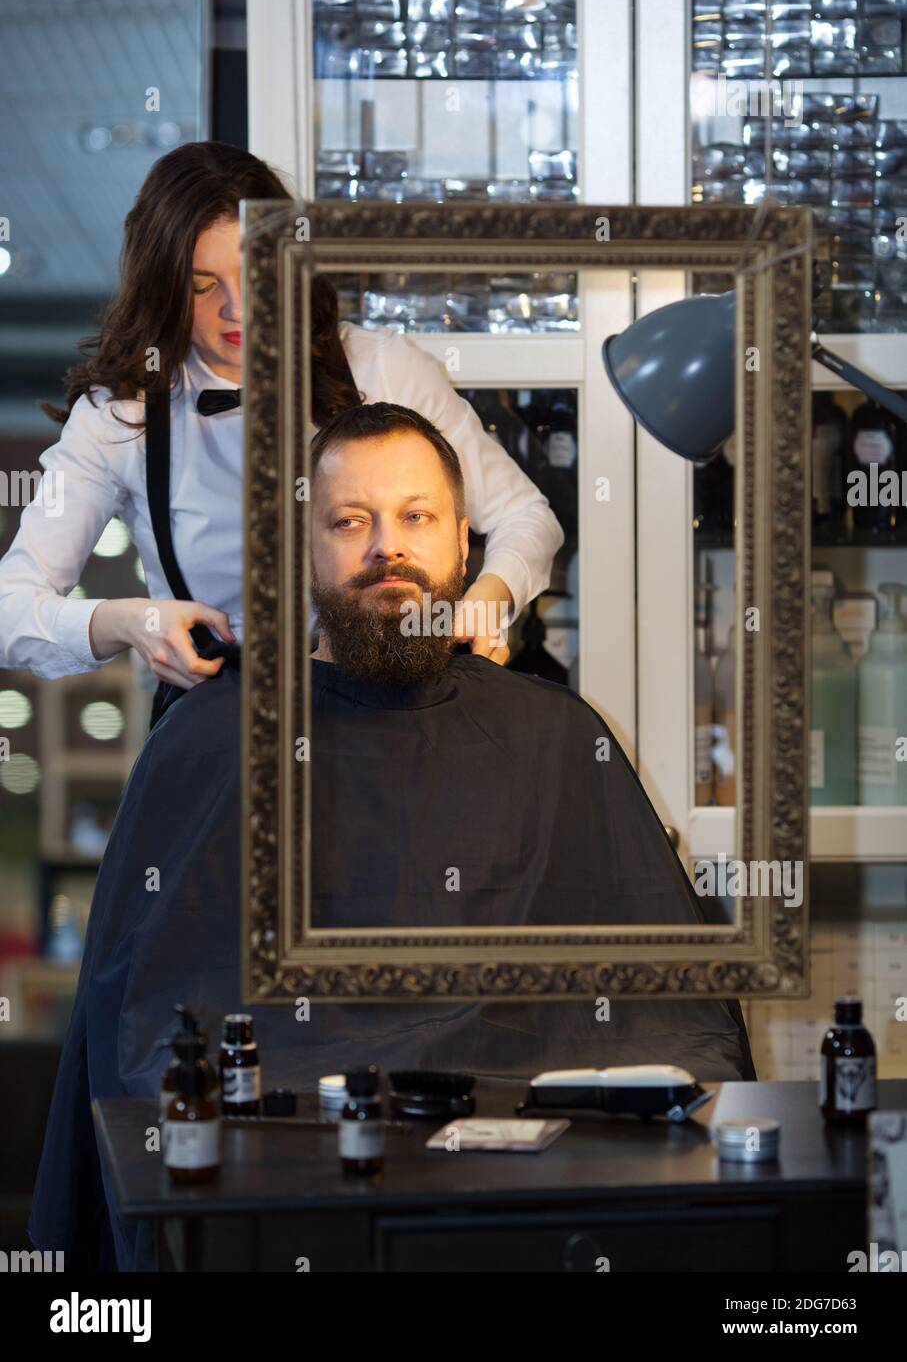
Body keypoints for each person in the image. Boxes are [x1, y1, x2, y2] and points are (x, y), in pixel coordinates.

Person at [28, 402, 754, 1272]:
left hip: (523, 1203)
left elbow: (675, 1023)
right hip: (286, 1202)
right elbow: (128, 1035)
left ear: (462, 546)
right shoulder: (206, 741)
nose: (387, 547)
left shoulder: (556, 737)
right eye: (350, 521)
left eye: (416, 517)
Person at [0, 141, 562, 723]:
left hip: (396, 708)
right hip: (220, 727)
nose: (237, 310)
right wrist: (129, 621)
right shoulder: (122, 416)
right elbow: (8, 612)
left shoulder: (383, 368)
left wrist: (486, 601)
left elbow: (528, 518)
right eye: (202, 286)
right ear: (162, 287)